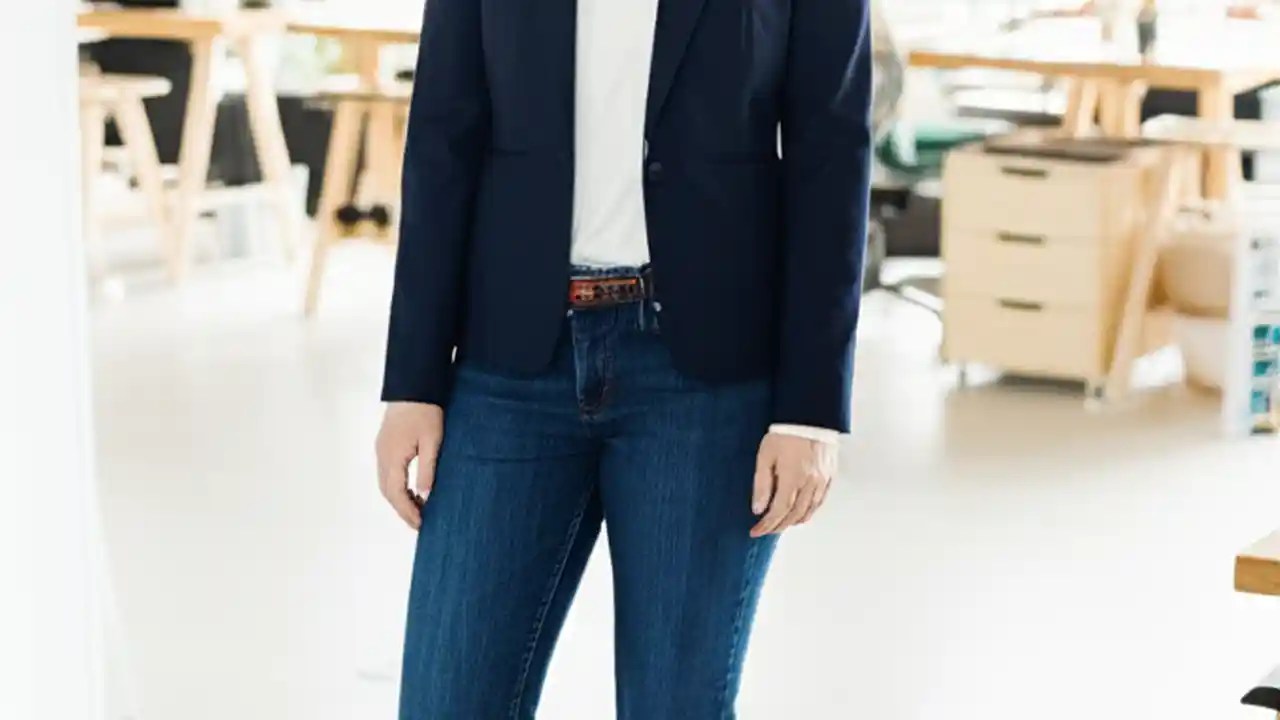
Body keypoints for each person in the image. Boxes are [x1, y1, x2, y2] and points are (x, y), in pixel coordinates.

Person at [374, 0, 872, 715]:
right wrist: (414, 382)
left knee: (674, 704)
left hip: (705, 377)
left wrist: (811, 410)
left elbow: (832, 154)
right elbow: (442, 139)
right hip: (511, 365)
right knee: (449, 700)